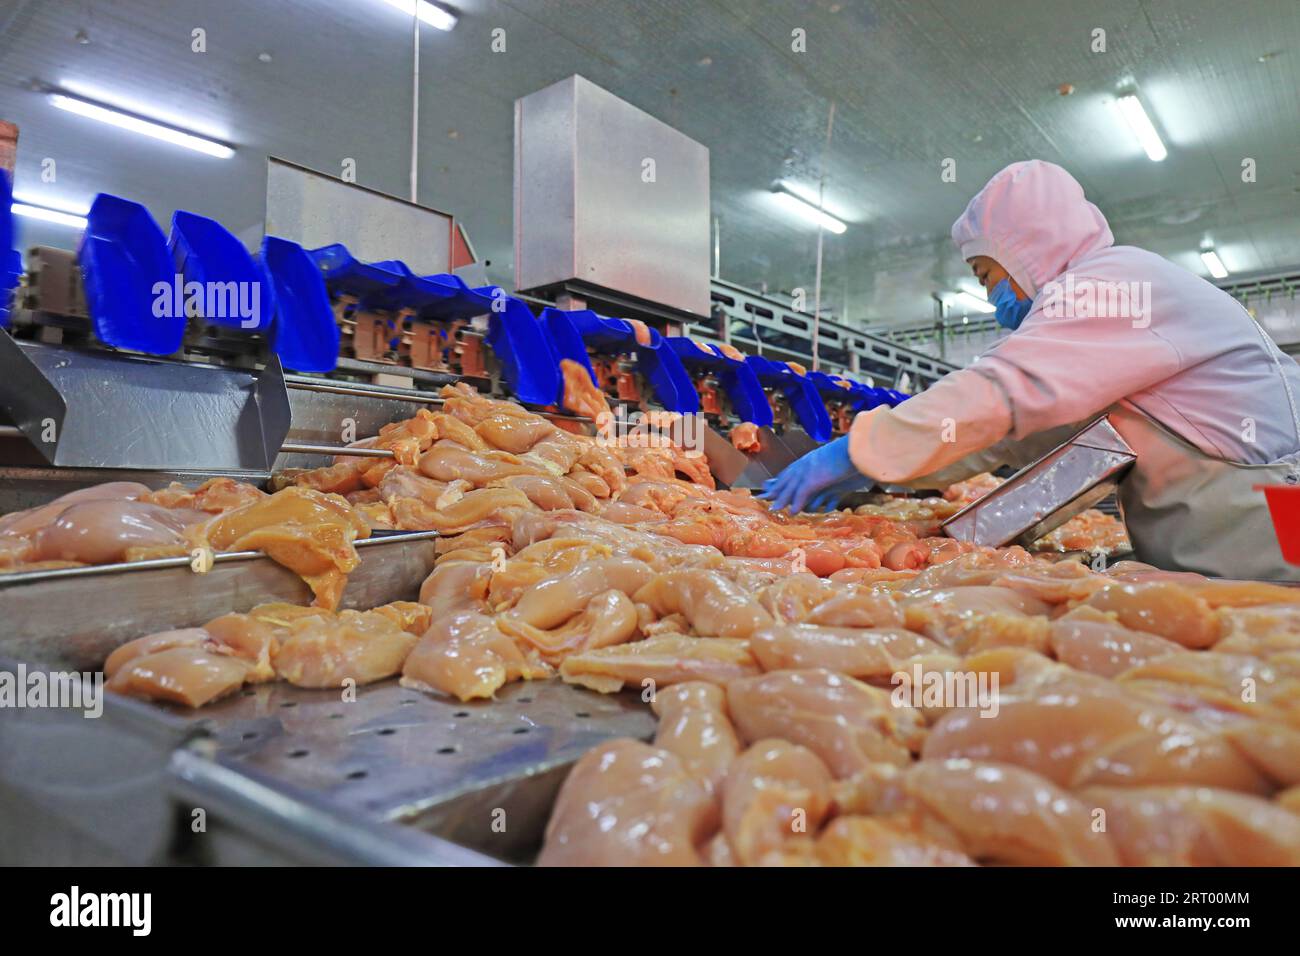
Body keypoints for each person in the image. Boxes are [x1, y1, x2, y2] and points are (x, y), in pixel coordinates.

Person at [761, 160, 1300, 580]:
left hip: (1264, 519)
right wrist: (881, 465)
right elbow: (1014, 436)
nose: (989, 295)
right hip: (1245, 513)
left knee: (1273, 663)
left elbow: (1003, 391)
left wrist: (857, 448)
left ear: (1028, 252)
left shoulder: (1112, 284)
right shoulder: (1098, 311)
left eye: (987, 274)